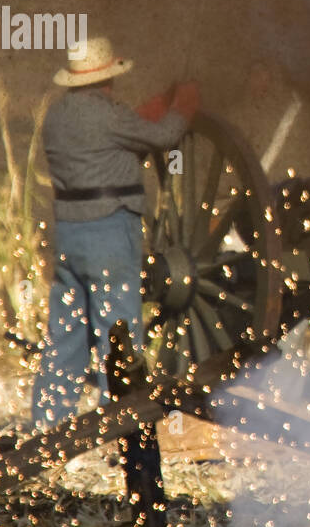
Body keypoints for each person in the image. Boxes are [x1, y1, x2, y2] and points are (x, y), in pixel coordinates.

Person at [31, 37, 198, 430]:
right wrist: (183, 104)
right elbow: (164, 137)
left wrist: (156, 104)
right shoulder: (107, 115)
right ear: (107, 80)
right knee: (118, 334)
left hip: (70, 233)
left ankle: (48, 425)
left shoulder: (57, 116)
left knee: (66, 334)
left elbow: (118, 138)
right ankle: (121, 428)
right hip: (109, 231)